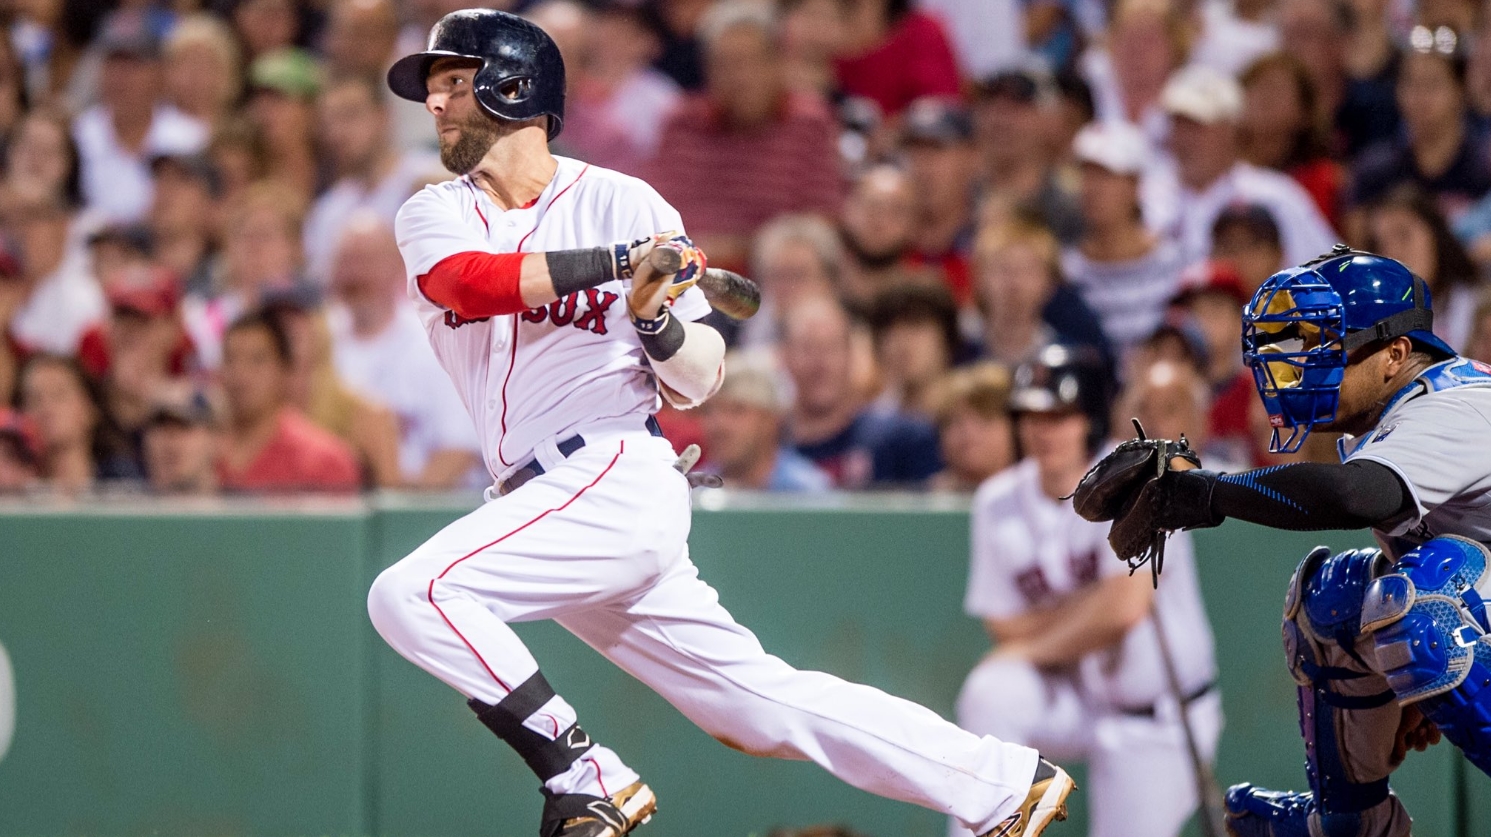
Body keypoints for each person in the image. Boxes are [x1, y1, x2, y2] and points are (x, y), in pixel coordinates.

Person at [367, 12, 1074, 837]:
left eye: (455, 82)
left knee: (410, 590)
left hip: (610, 469)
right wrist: (616, 264)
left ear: (513, 86)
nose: (437, 105)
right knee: (751, 706)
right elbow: (469, 283)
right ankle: (998, 781)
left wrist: (655, 316)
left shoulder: (621, 200)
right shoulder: (434, 212)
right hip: (541, 496)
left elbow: (697, 374)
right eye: (435, 89)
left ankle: (585, 773)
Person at [1078, 246, 1491, 835]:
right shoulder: (1391, 418)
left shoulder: (1455, 405)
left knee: (1421, 604)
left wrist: (1208, 493)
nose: (1306, 365)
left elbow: (1353, 497)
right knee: (1331, 599)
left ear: (1397, 354)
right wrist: (1413, 689)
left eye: (1330, 347)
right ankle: (1353, 825)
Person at [956, 343, 1220, 837]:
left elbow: (1122, 608)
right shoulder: (998, 501)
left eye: (1060, 415)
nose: (1044, 430)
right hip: (1078, 699)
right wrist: (1086, 608)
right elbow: (1003, 625)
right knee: (990, 692)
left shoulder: (1137, 478)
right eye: (1032, 415)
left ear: (1089, 420)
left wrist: (1032, 644)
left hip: (1156, 716)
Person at [643, 3, 842, 271]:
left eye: (750, 62)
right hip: (687, 279)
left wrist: (739, 248)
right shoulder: (683, 123)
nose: (739, 78)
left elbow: (823, 223)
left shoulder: (809, 124)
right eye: (724, 65)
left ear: (778, 63)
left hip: (775, 279)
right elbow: (657, 216)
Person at [326, 214, 481, 489]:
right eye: (346, 261)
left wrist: (397, 508)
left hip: (421, 507)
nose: (355, 275)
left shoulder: (433, 338)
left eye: (366, 260)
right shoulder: (319, 339)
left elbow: (459, 449)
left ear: (398, 266)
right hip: (336, 503)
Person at [1149, 64, 1339, 267]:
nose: (1185, 139)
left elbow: (1332, 271)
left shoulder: (1274, 197)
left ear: (1229, 130)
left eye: (1196, 126)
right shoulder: (1147, 195)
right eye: (1178, 125)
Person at [784, 294, 943, 487]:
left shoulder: (902, 440)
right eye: (807, 349)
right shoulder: (764, 446)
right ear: (784, 356)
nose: (820, 364)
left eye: (832, 348)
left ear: (851, 356)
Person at [1060, 120, 1185, 362]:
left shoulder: (1175, 265)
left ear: (1135, 184)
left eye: (1105, 176)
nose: (1091, 188)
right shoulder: (1066, 270)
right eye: (1085, 175)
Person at [304, 74, 439, 284]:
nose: (339, 131)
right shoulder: (328, 211)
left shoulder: (429, 176)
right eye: (330, 120)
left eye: (350, 115)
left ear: (383, 116)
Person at [71, 19, 209, 223]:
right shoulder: (79, 134)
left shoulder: (190, 138)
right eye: (112, 63)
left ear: (159, 72)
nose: (120, 77)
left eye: (133, 65)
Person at [1350, 28, 1491, 223]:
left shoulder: (1484, 169)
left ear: (1460, 91)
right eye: (1410, 83)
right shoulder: (1375, 171)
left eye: (1432, 84)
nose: (1419, 97)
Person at [216, 310, 361, 493]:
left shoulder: (323, 461)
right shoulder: (200, 452)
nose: (240, 375)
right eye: (230, 359)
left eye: (257, 360)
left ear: (284, 370)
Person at [1363, 186, 1482, 351]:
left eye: (1403, 235)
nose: (1392, 254)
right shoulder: (1371, 328)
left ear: (1436, 236)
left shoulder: (1480, 305)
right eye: (1380, 244)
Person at [697, 352, 831, 491]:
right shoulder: (691, 491)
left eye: (737, 410)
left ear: (770, 420)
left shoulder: (806, 495)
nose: (719, 424)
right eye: (709, 411)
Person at [17, 354, 141, 492]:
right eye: (34, 399)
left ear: (90, 409)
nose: (46, 408)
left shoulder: (122, 481)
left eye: (59, 395)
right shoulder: (13, 488)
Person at [929, 362, 1016, 493]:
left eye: (984, 419)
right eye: (955, 421)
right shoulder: (923, 504)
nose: (968, 432)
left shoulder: (1041, 494)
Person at [141, 391, 218, 495]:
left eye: (184, 427)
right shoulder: (122, 505)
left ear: (213, 439)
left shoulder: (243, 505)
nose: (171, 440)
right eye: (161, 427)